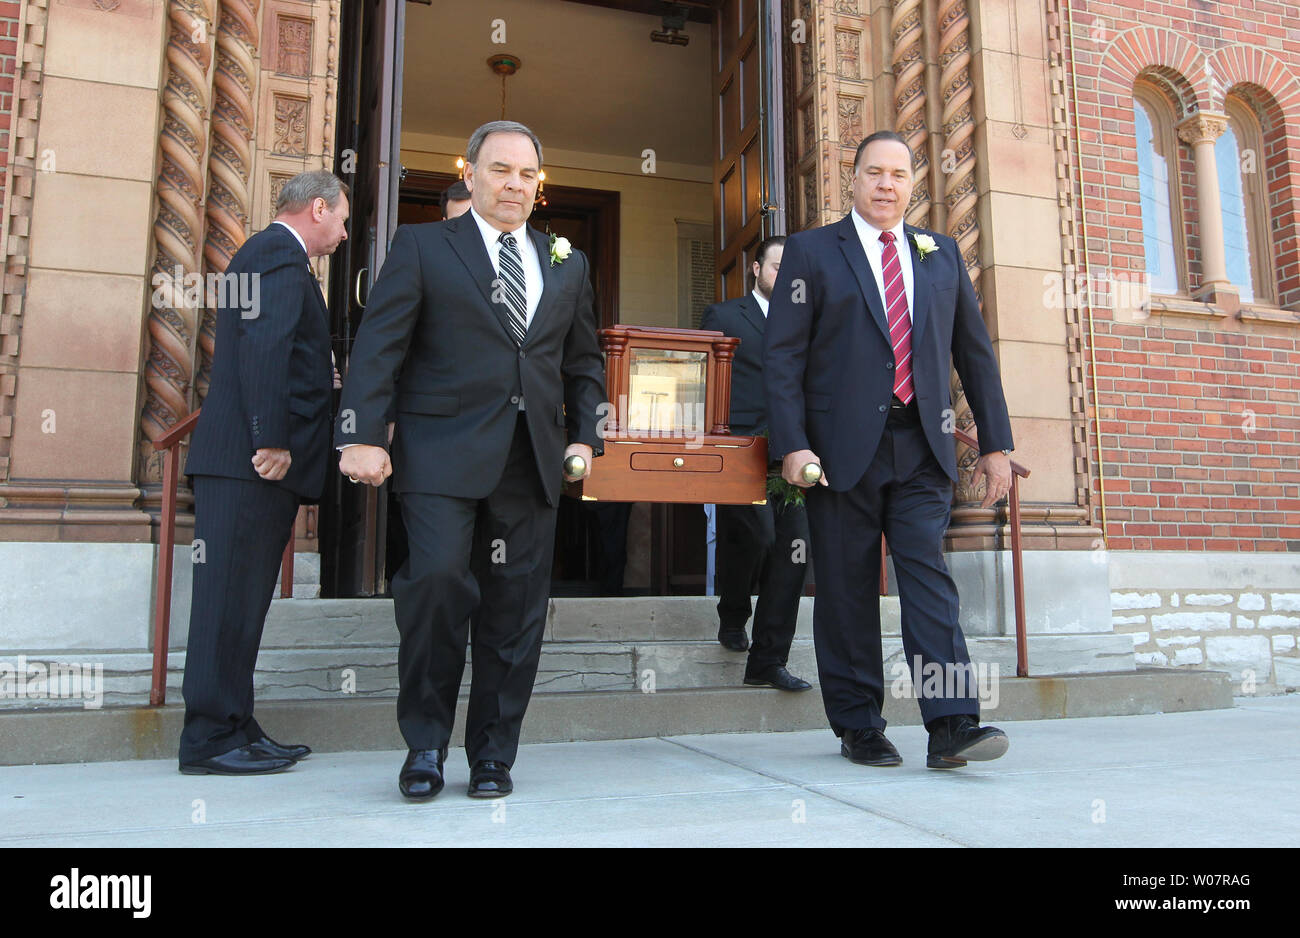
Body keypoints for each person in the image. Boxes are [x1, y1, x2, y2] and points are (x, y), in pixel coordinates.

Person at [336, 120, 607, 800]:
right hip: (439, 457)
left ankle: (493, 754)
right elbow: (380, 345)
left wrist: (587, 435)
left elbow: (584, 359)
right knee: (434, 586)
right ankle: (425, 744)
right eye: (500, 170)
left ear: (537, 186)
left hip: (532, 462)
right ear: (472, 173)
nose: (514, 183)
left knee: (515, 611)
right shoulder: (425, 246)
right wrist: (362, 432)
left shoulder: (565, 261)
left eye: (526, 174)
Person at [764, 130, 1015, 769]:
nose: (886, 185)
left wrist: (996, 445)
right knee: (847, 591)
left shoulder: (941, 255)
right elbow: (783, 356)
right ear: (852, 180)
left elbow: (975, 356)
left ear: (911, 185)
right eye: (874, 172)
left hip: (923, 447)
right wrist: (791, 445)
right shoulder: (813, 252)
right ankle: (859, 725)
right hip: (841, 451)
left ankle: (952, 723)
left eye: (898, 175)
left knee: (929, 582)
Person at [178, 171, 350, 775]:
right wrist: (271, 438)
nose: (345, 232)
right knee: (227, 601)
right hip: (248, 465)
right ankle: (208, 738)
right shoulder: (277, 252)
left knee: (243, 602)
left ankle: (235, 723)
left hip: (251, 466)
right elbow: (264, 347)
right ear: (318, 208)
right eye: (344, 219)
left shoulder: (272, 255)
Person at [701, 236, 813, 693]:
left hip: (794, 452)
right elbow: (706, 378)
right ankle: (732, 613)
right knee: (752, 535)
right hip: (739, 450)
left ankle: (768, 660)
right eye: (775, 267)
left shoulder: (811, 322)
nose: (783, 277)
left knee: (794, 550)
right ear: (756, 269)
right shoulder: (725, 316)